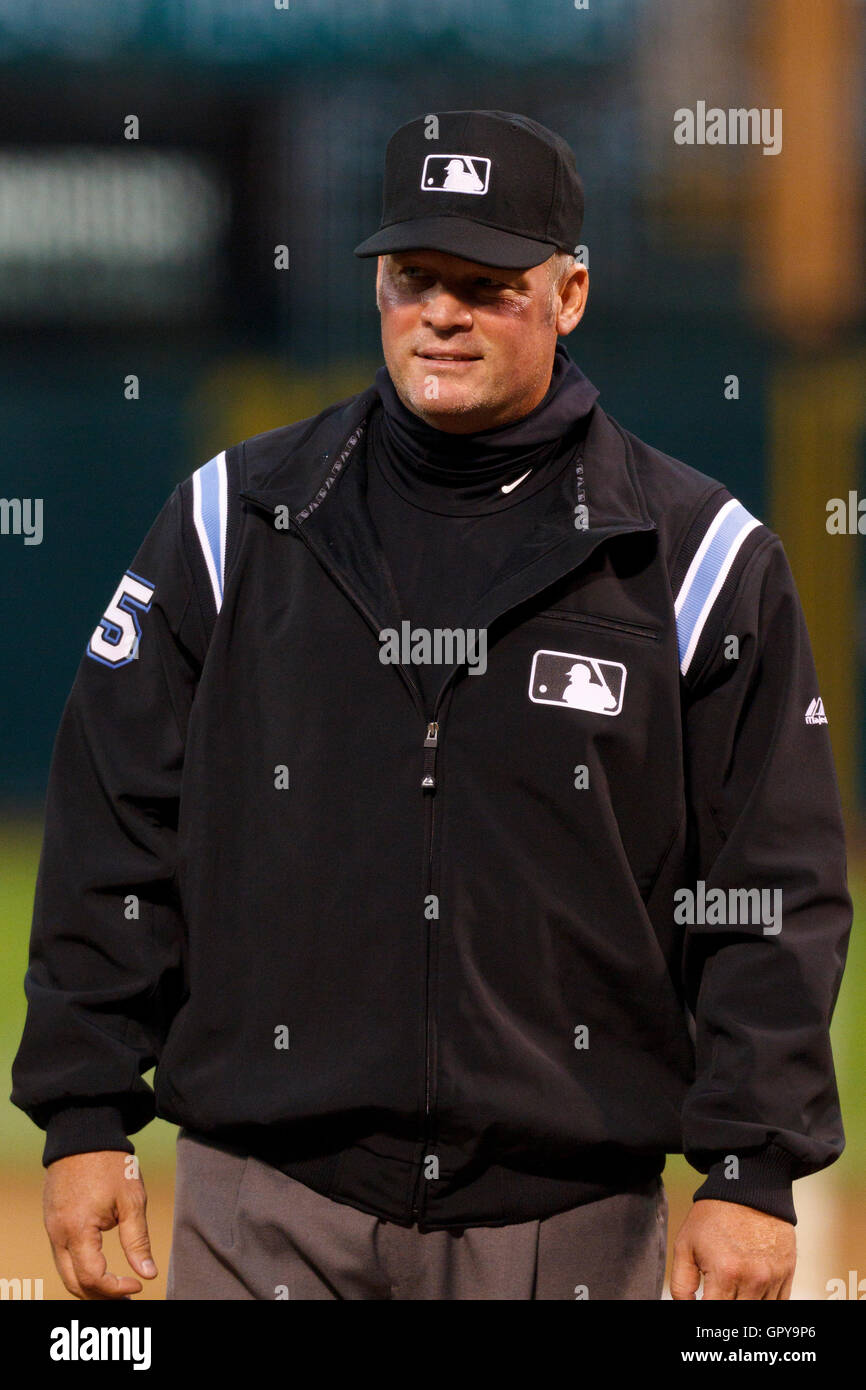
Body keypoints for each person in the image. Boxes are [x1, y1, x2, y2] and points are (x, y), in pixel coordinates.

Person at [11, 109, 852, 1301]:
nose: (440, 313)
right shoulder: (232, 521)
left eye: (485, 282)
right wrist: (86, 1107)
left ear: (568, 295)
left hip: (562, 1220)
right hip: (266, 1205)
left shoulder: (695, 556)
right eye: (412, 277)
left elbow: (770, 884)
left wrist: (750, 1167)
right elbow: (112, 826)